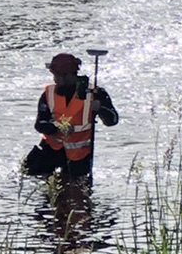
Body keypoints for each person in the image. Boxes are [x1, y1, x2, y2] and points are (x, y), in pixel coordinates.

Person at [23, 52, 118, 182]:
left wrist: (100, 109)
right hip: (51, 150)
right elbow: (40, 124)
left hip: (79, 156)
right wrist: (57, 129)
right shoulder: (49, 93)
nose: (55, 80)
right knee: (26, 174)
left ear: (68, 76)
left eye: (57, 76)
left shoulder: (95, 93)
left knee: (77, 190)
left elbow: (113, 121)